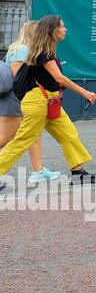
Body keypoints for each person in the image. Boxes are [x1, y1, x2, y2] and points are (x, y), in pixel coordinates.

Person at [0, 15, 96, 186]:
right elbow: (59, 78)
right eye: (62, 26)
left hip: (50, 100)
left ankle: (77, 172)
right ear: (52, 30)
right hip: (37, 101)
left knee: (68, 133)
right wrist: (84, 92)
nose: (65, 29)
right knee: (23, 140)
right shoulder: (43, 53)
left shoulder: (47, 50)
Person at [1, 21, 61, 185]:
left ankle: (38, 171)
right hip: (17, 98)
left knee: (32, 134)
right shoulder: (22, 49)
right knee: (7, 137)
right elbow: (17, 77)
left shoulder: (22, 49)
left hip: (19, 98)